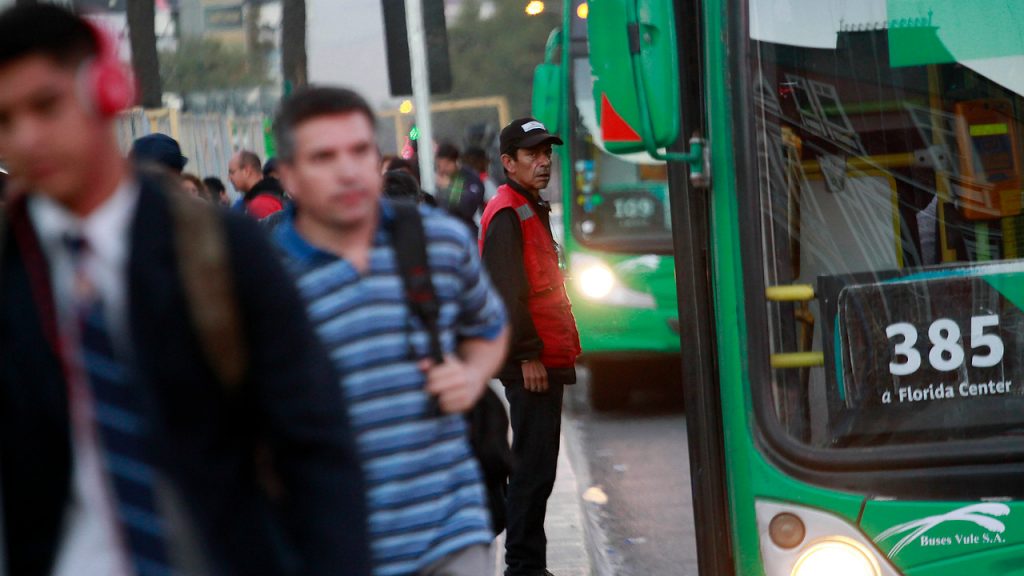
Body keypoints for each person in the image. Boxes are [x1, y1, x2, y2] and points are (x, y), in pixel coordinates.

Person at [0, 5, 370, 575]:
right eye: (4, 119)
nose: (28, 137)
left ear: (105, 88)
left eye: (47, 106)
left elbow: (315, 444)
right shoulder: (12, 269)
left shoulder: (219, 250)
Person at [269, 85, 509, 576]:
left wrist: (470, 376)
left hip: (452, 534)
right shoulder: (262, 275)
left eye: (359, 151)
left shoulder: (436, 239)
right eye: (324, 156)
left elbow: (489, 325)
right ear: (288, 176)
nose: (347, 169)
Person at [480, 118, 582, 576]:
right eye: (532, 154)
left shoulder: (529, 206)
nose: (543, 162)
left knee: (538, 470)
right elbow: (505, 291)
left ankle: (529, 563)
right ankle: (523, 566)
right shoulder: (508, 212)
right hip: (533, 363)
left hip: (546, 357)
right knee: (531, 471)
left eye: (547, 153)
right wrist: (525, 356)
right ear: (508, 162)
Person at [434, 142, 485, 235]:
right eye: (439, 165)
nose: (442, 169)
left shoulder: (468, 177)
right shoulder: (440, 178)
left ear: (455, 162)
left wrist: (449, 187)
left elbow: (468, 207)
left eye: (446, 165)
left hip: (466, 229)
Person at [228, 149, 286, 218]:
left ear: (247, 171)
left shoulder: (260, 205)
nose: (229, 178)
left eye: (232, 172)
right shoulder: (270, 194)